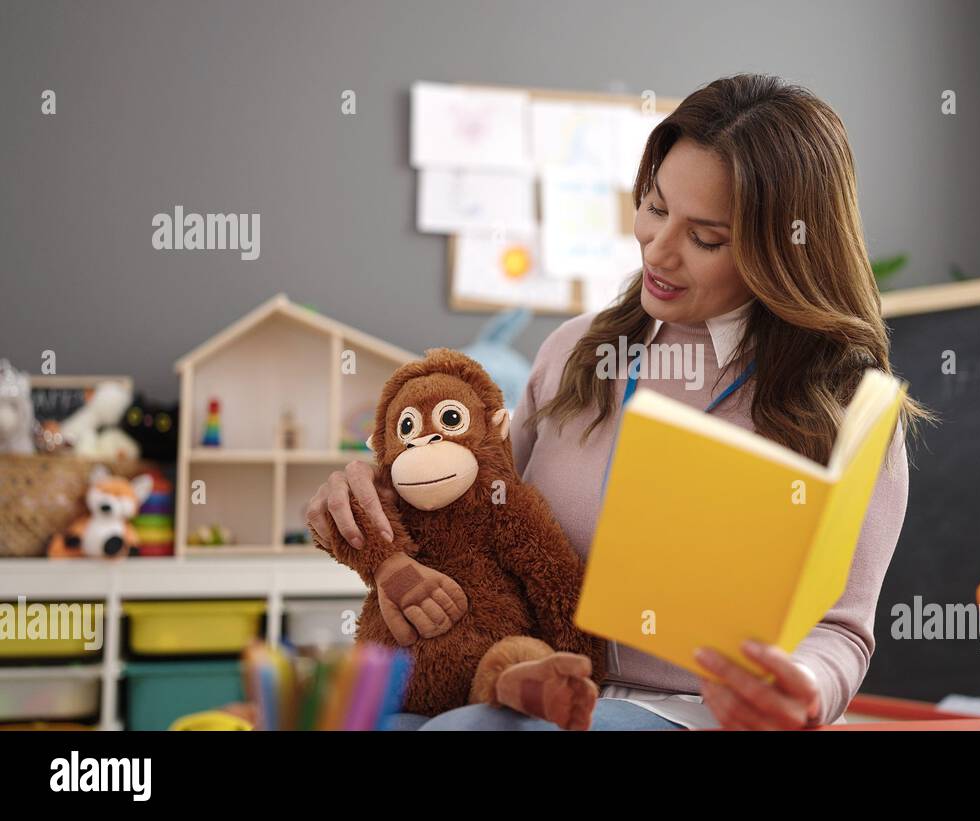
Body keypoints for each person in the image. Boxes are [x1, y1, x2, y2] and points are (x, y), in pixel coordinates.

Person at [309, 73, 920, 730]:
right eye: (655, 208)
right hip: (531, 676)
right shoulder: (576, 350)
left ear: (781, 252)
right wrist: (367, 505)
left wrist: (805, 686)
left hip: (691, 712)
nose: (657, 249)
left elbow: (843, 630)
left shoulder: (840, 406)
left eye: (705, 238)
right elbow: (470, 505)